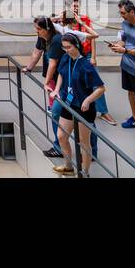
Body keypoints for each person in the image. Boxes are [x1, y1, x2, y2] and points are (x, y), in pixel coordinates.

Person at [52, 33, 105, 176]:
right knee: (62, 136)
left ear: (76, 46)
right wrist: (57, 89)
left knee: (83, 142)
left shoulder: (86, 65)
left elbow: (101, 88)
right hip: (68, 104)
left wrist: (88, 100)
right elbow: (61, 74)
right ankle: (68, 166)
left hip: (83, 108)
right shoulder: (65, 59)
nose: (66, 50)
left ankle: (85, 172)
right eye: (64, 48)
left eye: (69, 47)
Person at [108, 0, 135, 129]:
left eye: (123, 13)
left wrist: (125, 50)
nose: (121, 16)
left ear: (132, 12)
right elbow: (125, 40)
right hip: (126, 66)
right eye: (120, 13)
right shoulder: (125, 24)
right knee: (131, 92)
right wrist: (117, 46)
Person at [27, 16, 67, 158]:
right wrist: (28, 68)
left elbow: (53, 63)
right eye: (36, 28)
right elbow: (37, 52)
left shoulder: (56, 40)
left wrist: (46, 82)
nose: (36, 31)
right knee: (56, 112)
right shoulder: (42, 37)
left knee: (76, 117)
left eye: (39, 29)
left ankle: (90, 150)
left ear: (47, 29)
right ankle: (59, 146)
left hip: (63, 81)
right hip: (56, 81)